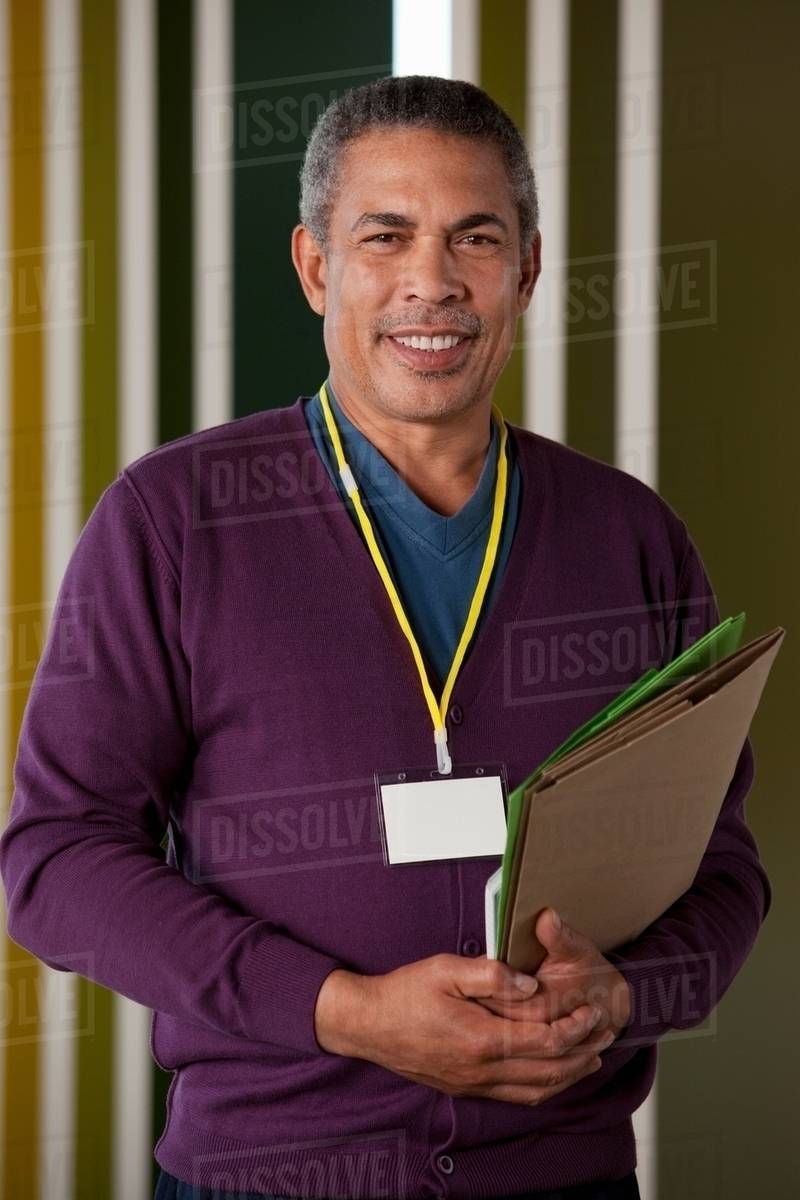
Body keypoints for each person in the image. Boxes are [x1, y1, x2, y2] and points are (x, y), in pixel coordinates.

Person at [0, 76, 769, 1200]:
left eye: (475, 238)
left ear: (528, 270)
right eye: (386, 237)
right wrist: (342, 1012)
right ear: (317, 267)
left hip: (564, 1179)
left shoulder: (630, 537)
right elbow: (55, 863)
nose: (432, 282)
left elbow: (723, 872)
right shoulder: (173, 521)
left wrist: (625, 994)